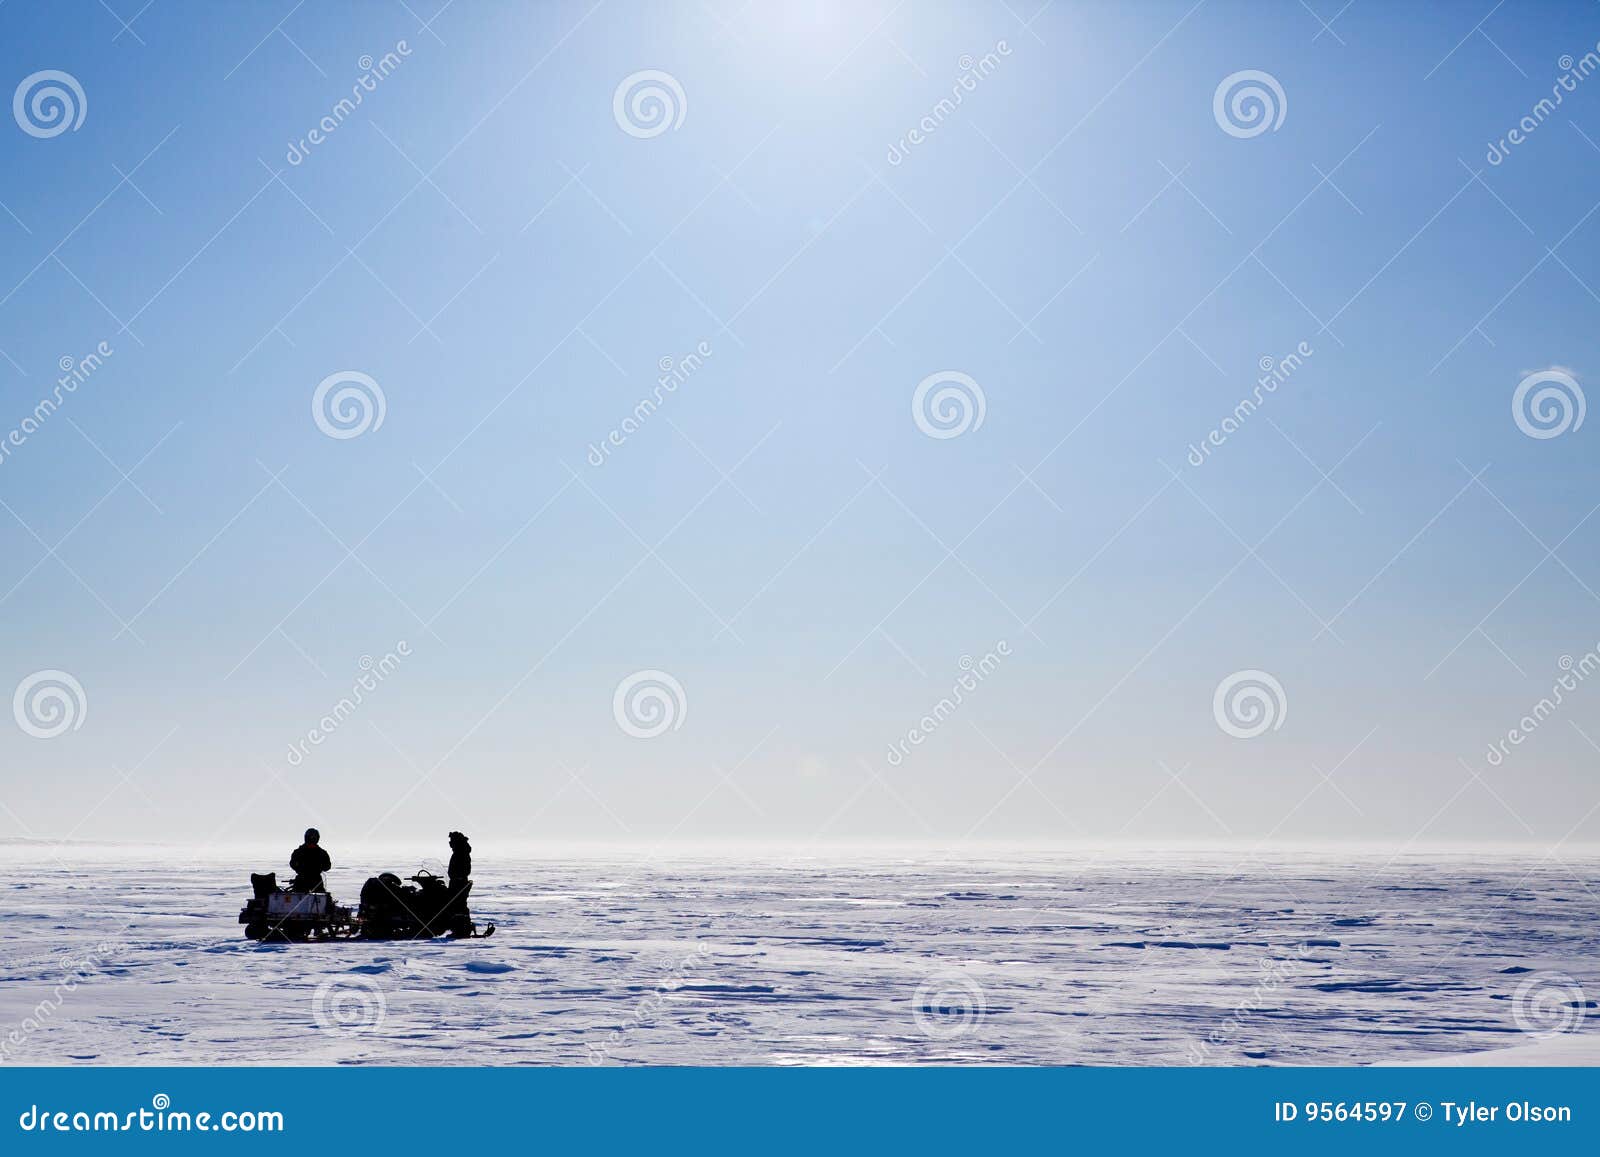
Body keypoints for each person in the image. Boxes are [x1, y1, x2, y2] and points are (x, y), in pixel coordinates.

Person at [289, 828, 331, 892]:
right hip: (301, 880)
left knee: (323, 897)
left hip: (316, 880)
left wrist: (319, 867)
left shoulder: (322, 853)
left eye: (313, 838)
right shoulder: (298, 852)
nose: (311, 840)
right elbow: (292, 864)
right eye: (310, 838)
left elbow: (327, 866)